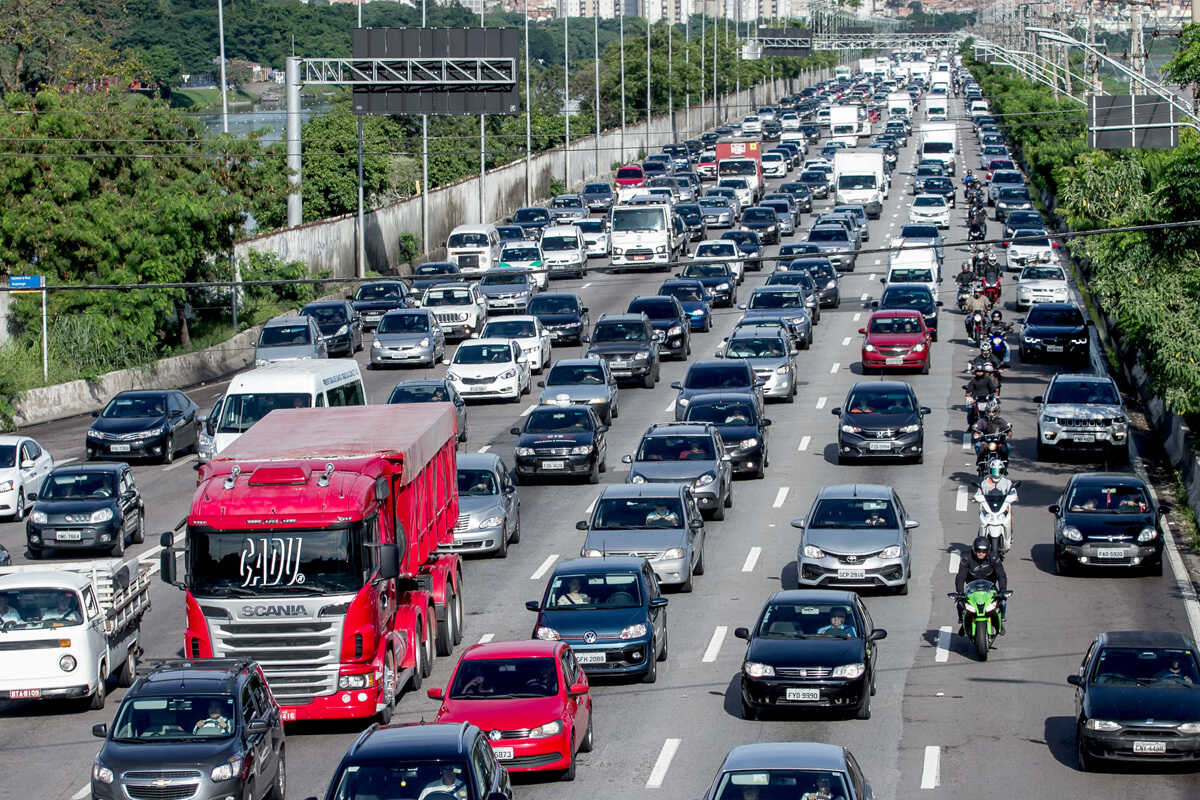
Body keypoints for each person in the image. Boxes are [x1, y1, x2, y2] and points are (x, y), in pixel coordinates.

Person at [955, 536, 1009, 625]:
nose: (981, 553)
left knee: (1002, 602)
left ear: (988, 551)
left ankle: (1001, 619)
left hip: (990, 588)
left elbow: (1001, 575)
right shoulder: (966, 558)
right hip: (972, 588)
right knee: (960, 603)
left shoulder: (994, 558)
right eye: (978, 551)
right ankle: (962, 620)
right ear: (974, 549)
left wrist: (1002, 591)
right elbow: (960, 577)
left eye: (984, 551)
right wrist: (960, 592)